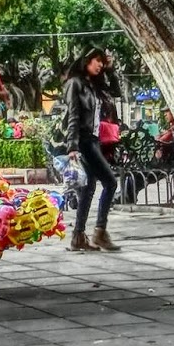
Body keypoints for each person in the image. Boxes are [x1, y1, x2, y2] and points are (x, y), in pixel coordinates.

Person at [62, 49, 120, 252]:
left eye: (102, 62)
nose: (100, 65)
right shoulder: (75, 83)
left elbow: (116, 92)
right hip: (84, 141)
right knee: (110, 182)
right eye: (97, 61)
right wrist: (72, 146)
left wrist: (111, 71)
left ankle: (79, 237)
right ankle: (99, 232)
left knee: (88, 188)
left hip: (94, 139)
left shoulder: (93, 85)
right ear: (86, 60)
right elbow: (73, 115)